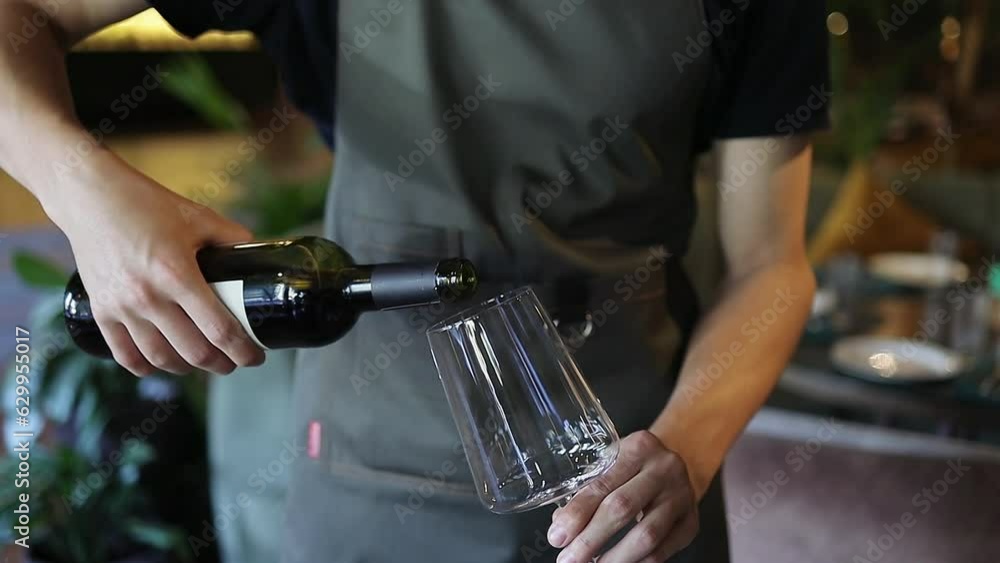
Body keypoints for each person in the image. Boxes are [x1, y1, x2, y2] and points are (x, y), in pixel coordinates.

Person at [0, 0, 828, 561]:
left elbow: (769, 265)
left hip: (634, 484)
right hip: (376, 478)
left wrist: (687, 444)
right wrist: (86, 193)